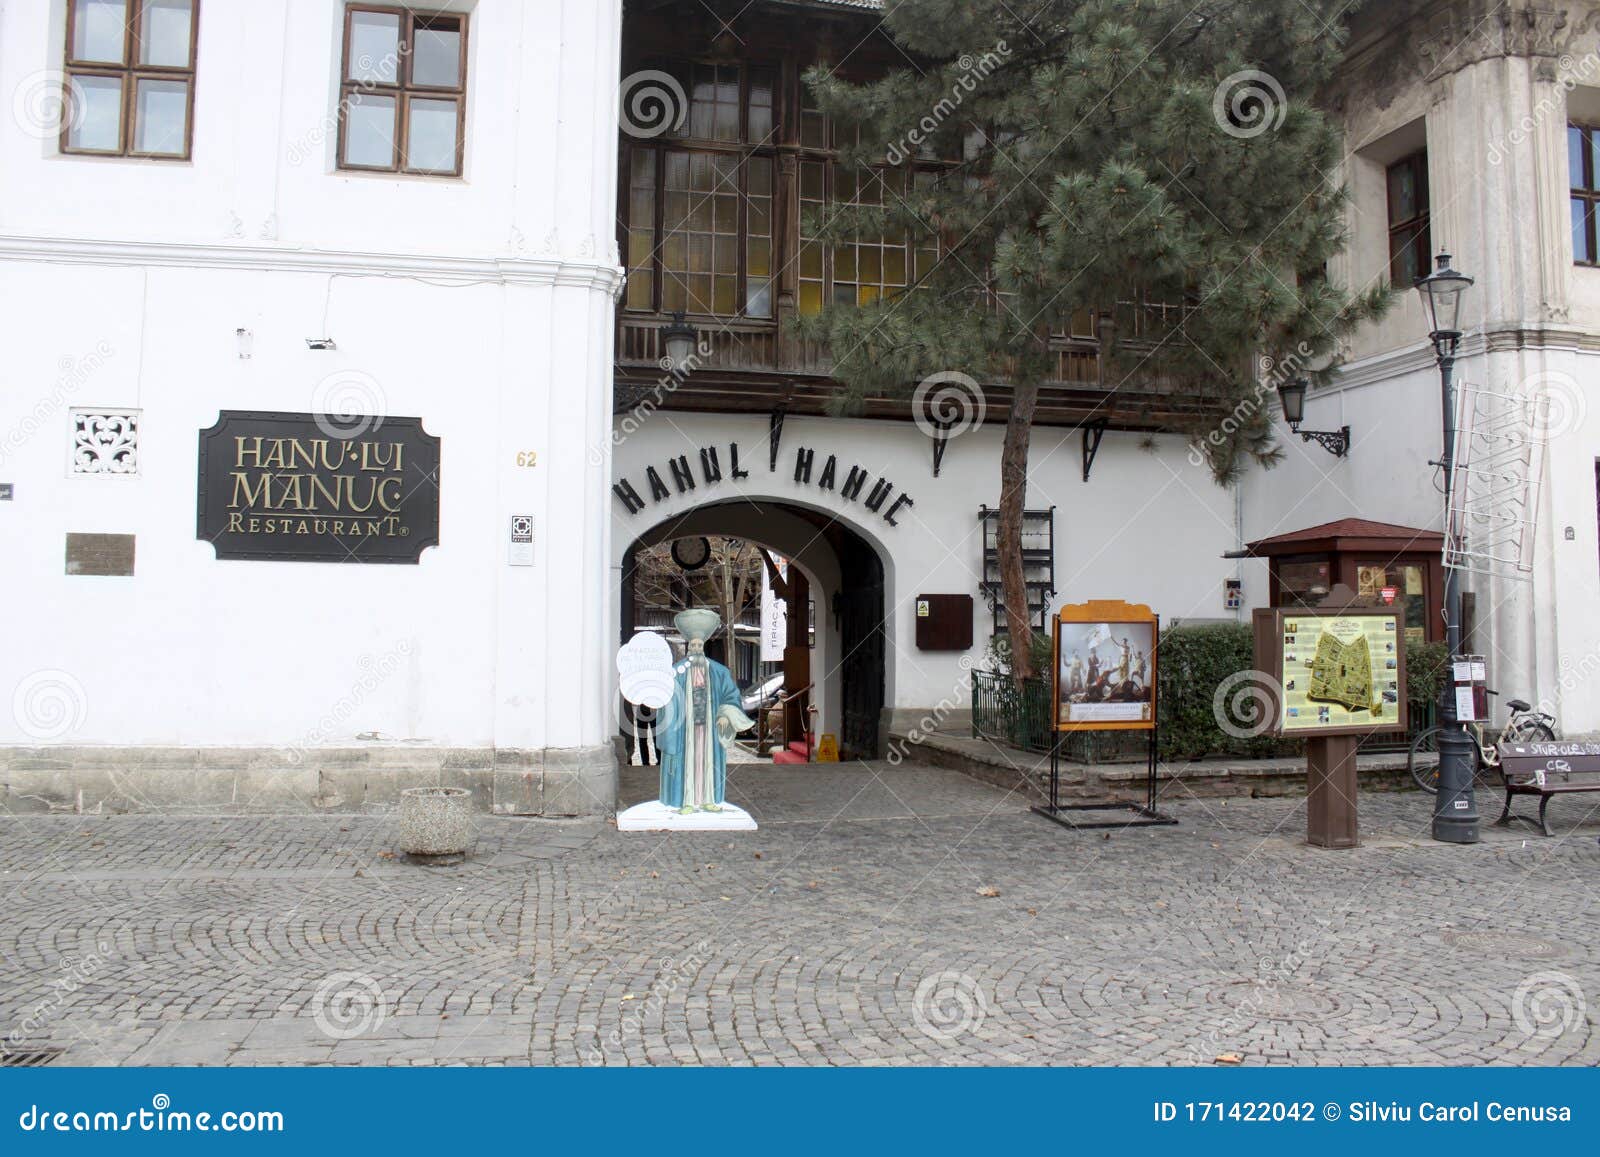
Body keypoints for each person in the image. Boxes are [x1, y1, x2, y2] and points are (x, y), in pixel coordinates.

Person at [654, 608, 753, 813]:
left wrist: (725, 714)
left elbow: (731, 695)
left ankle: (708, 799)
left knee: (706, 763)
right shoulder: (677, 673)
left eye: (700, 645)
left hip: (708, 728)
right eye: (693, 645)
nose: (696, 648)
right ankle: (687, 801)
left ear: (704, 647)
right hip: (686, 729)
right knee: (688, 763)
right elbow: (666, 697)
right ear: (688, 647)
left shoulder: (718, 672)